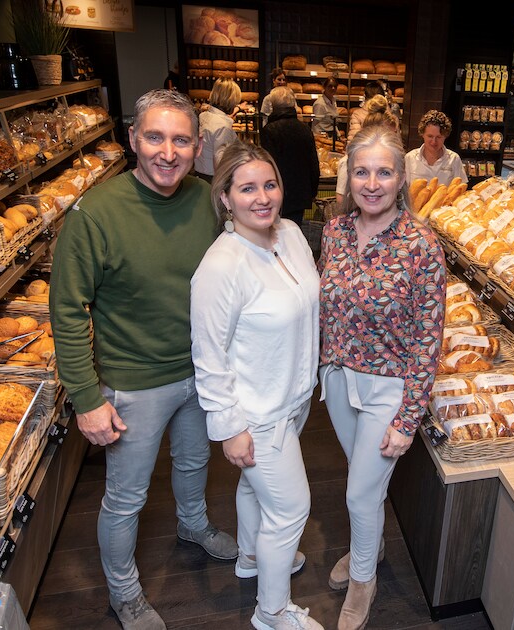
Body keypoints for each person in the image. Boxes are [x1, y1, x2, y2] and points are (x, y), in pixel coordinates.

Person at [50, 89, 239, 630]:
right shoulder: (95, 214)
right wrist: (87, 399)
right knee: (126, 498)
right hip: (133, 383)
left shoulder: (207, 200)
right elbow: (67, 310)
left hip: (198, 373)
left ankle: (193, 526)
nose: (168, 151)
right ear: (132, 138)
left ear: (199, 146)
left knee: (194, 462)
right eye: (155, 137)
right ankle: (124, 592)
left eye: (181, 139)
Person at [318, 125, 446, 630]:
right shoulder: (335, 231)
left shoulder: (421, 246)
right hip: (337, 381)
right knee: (363, 485)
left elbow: (427, 340)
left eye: (384, 172)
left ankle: (364, 580)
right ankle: (365, 546)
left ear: (401, 178)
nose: (372, 183)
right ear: (349, 176)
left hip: (388, 388)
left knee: (357, 492)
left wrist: (407, 418)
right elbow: (325, 301)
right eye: (362, 171)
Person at [191, 141, 322, 630]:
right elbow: (208, 355)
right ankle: (271, 612)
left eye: (270, 185)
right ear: (225, 197)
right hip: (257, 412)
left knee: (254, 488)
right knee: (291, 510)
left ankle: (251, 556)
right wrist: (230, 428)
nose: (262, 197)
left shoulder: (287, 234)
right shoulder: (221, 267)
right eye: (247, 188)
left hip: (293, 398)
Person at [260, 87, 320, 225]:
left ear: (273, 106)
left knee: (275, 233)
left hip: (277, 193)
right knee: (294, 232)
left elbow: (268, 166)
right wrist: (312, 191)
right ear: (293, 104)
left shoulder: (269, 130)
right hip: (300, 194)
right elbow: (313, 164)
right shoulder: (305, 129)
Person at [335, 111, 397, 198]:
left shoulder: (395, 161)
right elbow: (340, 197)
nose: (372, 186)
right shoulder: (349, 161)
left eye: (385, 173)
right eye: (361, 173)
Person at [405, 110, 468, 186]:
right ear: (422, 134)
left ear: (445, 136)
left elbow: (460, 190)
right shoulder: (409, 158)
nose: (434, 142)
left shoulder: (454, 159)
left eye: (438, 137)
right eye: (430, 136)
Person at [196, 79, 241, 180]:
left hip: (199, 172)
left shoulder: (203, 116)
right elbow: (220, 161)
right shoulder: (222, 126)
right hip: (213, 178)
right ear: (230, 100)